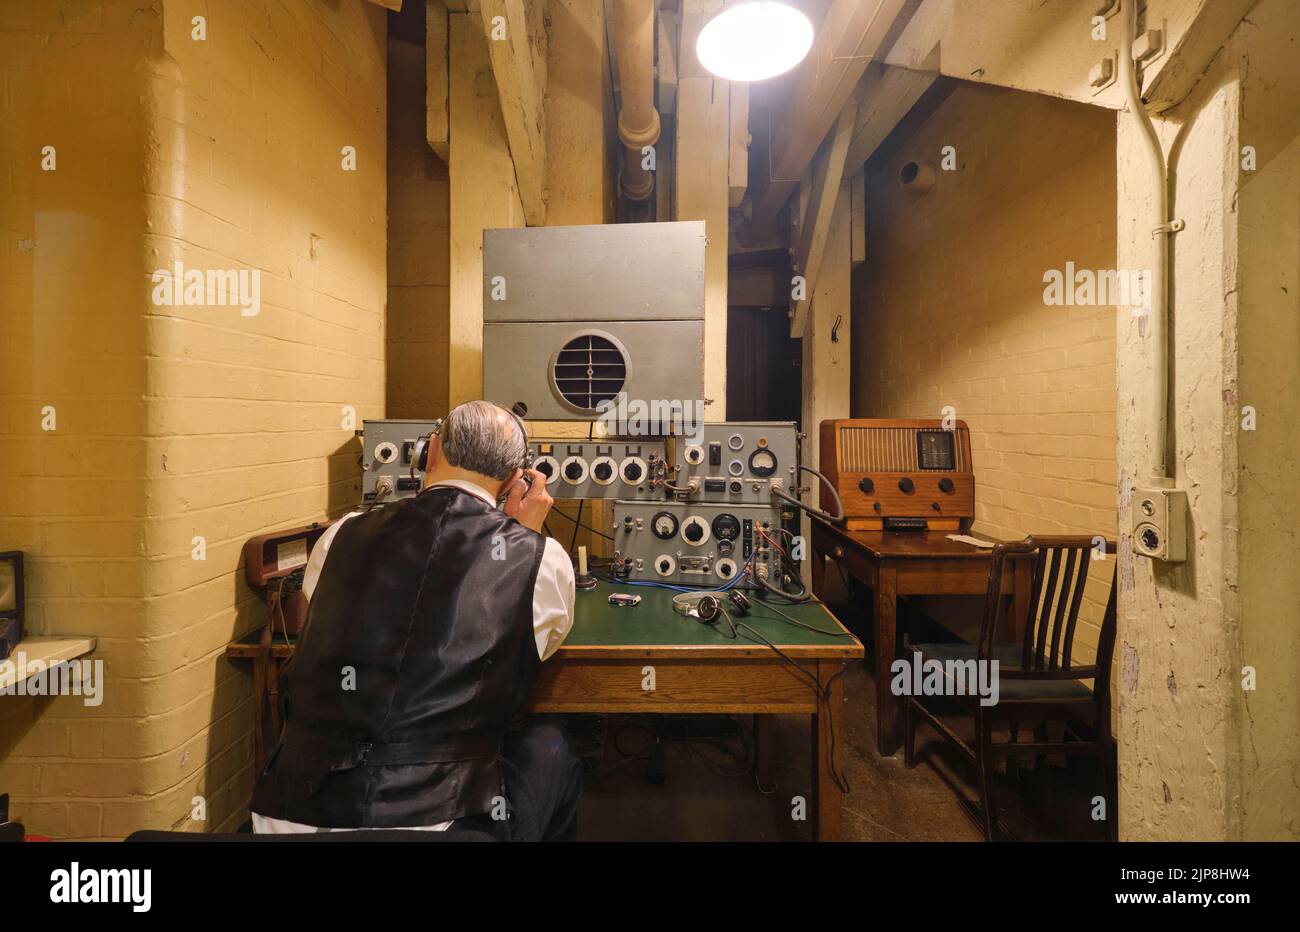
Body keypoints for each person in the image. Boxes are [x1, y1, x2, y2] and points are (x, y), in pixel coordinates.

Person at [250, 400, 581, 841]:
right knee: (552, 746)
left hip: (290, 809)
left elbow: (328, 618)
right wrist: (522, 534)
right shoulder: (539, 560)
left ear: (431, 450)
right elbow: (530, 643)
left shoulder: (340, 535)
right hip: (439, 819)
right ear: (513, 479)